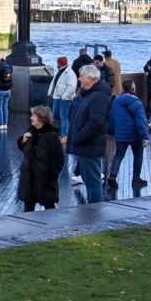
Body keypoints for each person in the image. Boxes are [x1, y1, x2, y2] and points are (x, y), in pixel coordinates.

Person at [65, 65, 112, 204]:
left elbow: (96, 122)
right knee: (89, 181)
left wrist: (78, 137)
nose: (79, 79)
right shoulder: (90, 94)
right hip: (87, 145)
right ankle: (92, 213)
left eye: (81, 76)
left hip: (90, 146)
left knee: (92, 183)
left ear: (90, 78)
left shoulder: (98, 97)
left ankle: (95, 214)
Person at [16, 105, 64, 211]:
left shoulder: (52, 135)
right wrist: (23, 140)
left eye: (34, 116)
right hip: (29, 177)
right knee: (28, 208)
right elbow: (24, 149)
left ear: (41, 118)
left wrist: (51, 174)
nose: (31, 118)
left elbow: (59, 159)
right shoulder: (31, 131)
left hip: (45, 179)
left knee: (49, 208)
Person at [107, 79, 151, 191]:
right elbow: (141, 121)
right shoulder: (136, 102)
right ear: (133, 89)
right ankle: (136, 179)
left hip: (120, 134)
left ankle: (113, 175)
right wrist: (145, 136)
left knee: (119, 155)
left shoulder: (116, 101)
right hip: (134, 134)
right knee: (138, 154)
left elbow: (111, 117)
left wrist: (111, 132)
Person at [48, 56, 76, 135]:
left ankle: (65, 135)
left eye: (57, 62)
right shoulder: (61, 71)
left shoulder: (70, 73)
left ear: (59, 63)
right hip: (57, 97)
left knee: (64, 117)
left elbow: (72, 87)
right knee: (55, 115)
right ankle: (58, 132)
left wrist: (64, 97)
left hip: (65, 99)